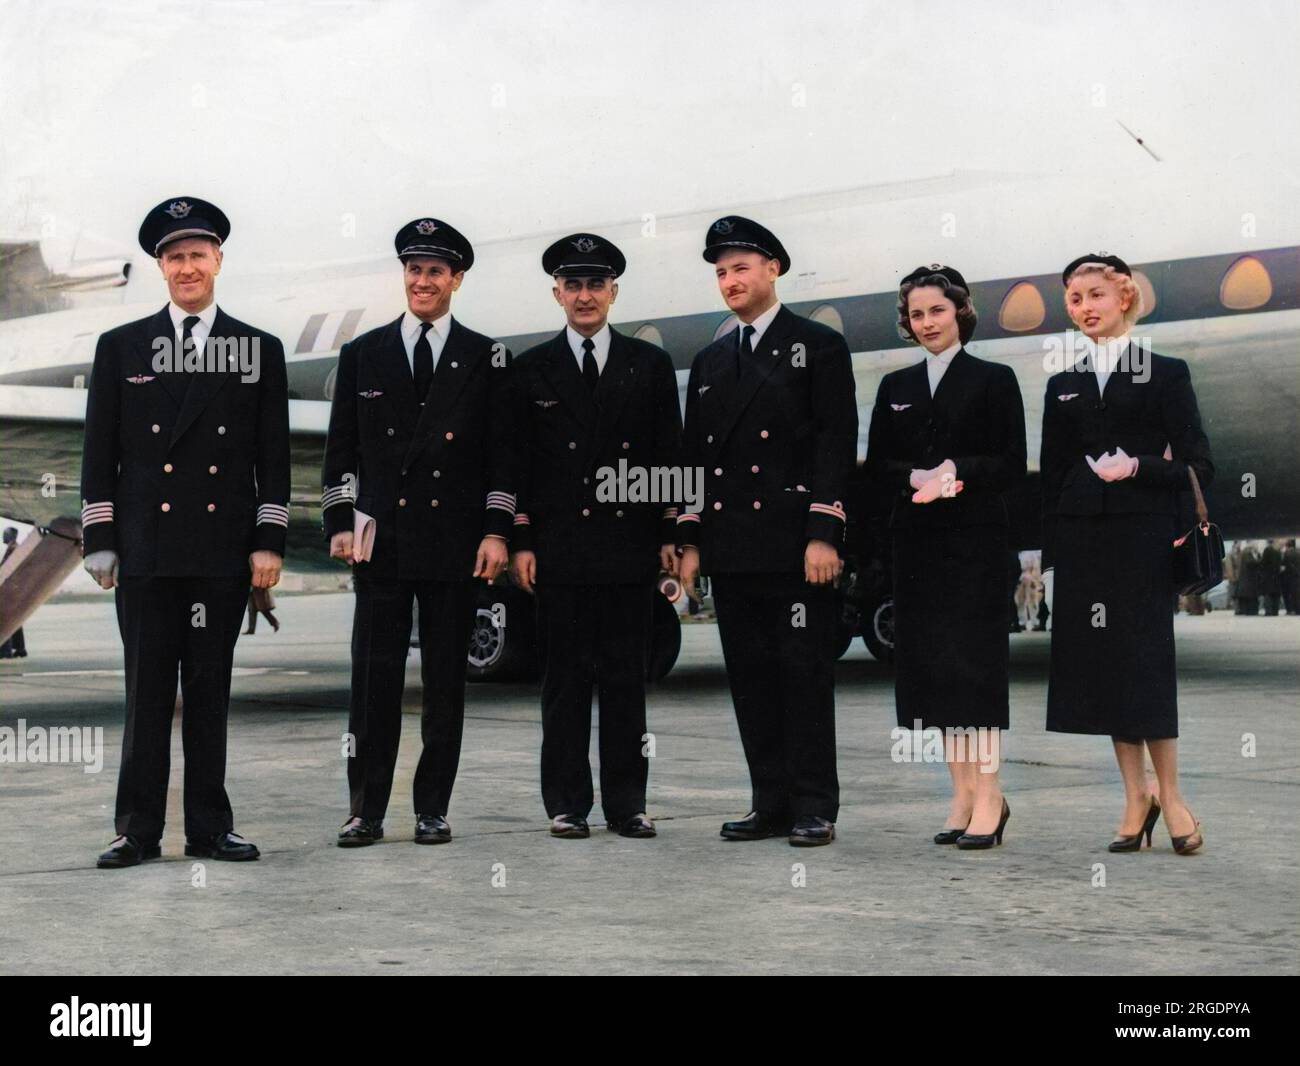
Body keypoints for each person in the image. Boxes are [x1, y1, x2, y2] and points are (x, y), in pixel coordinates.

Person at [81, 197, 289, 868]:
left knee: (208, 693)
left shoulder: (258, 350)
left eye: (199, 254)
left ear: (218, 261)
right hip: (145, 552)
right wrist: (101, 538)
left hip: (220, 553)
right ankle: (137, 831)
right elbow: (98, 453)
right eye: (175, 257)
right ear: (161, 267)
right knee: (145, 697)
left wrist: (268, 541)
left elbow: (273, 460)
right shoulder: (121, 348)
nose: (188, 266)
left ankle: (209, 827)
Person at [321, 218, 514, 848]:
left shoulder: (487, 357)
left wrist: (495, 531)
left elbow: (500, 459)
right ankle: (365, 811)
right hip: (383, 543)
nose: (422, 281)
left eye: (435, 271)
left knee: (445, 688)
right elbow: (340, 453)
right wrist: (340, 522)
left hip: (453, 544)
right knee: (373, 683)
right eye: (414, 269)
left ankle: (433, 807)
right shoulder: (364, 353)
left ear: (456, 279)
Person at [677, 216, 857, 847]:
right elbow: (696, 458)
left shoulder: (818, 344)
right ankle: (769, 801)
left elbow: (835, 444)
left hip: (793, 545)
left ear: (773, 269)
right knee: (751, 679)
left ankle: (814, 805)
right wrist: (692, 541)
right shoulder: (709, 360)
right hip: (732, 549)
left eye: (741, 267)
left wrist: (823, 533)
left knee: (803, 674)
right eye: (721, 272)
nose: (730, 280)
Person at [507, 233, 681, 839]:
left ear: (614, 292)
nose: (585, 296)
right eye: (573, 285)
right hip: (560, 551)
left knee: (626, 684)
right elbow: (517, 466)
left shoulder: (648, 364)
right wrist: (522, 539)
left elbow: (667, 456)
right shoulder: (531, 370)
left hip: (628, 549)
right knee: (565, 683)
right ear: (557, 292)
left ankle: (627, 804)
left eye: (596, 285)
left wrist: (667, 532)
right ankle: (566, 805)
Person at [1042, 253, 1213, 855]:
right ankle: (1134, 797)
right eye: (1074, 300)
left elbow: (1198, 464)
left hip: (1141, 543)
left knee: (1146, 669)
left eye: (1094, 296)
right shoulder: (1061, 383)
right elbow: (1055, 473)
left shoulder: (1165, 373)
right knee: (1111, 674)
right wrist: (1053, 554)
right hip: (1086, 543)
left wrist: (1139, 466)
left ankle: (1173, 796)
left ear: (1125, 299)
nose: (1084, 309)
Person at [866, 265, 1025, 849]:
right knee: (936, 674)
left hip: (975, 545)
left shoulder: (993, 379)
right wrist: (912, 476)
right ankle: (961, 793)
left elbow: (1010, 463)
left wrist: (957, 473)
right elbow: (877, 467)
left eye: (937, 310)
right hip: (918, 548)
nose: (927, 323)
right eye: (916, 314)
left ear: (959, 312)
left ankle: (991, 796)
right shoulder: (896, 388)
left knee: (975, 674)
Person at [0, 527, 26, 658]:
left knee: (5, 619)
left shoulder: (13, 549)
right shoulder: (15, 548)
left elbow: (8, 569)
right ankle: (20, 649)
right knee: (14, 620)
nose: (2, 536)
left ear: (11, 536)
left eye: (4, 534)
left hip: (10, 590)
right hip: (14, 590)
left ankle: (6, 650)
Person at [1235, 542, 1261, 615]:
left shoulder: (1255, 554)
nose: (1257, 548)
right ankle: (1249, 611)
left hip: (1253, 580)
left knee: (1253, 597)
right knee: (1249, 597)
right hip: (1248, 580)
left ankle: (1253, 611)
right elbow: (1250, 563)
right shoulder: (1247, 554)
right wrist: (1260, 561)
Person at [1260, 540, 1283, 616]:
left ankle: (1269, 611)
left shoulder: (1267, 550)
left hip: (1268, 577)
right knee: (1276, 595)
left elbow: (1263, 563)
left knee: (1268, 595)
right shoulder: (1278, 552)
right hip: (1277, 577)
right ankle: (1275, 611)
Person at [1283, 539, 1300, 615]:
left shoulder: (1287, 553)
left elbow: (1285, 564)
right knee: (1298, 594)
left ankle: (1292, 609)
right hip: (1298, 576)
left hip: (1290, 577)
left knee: (1291, 594)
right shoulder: (1299, 552)